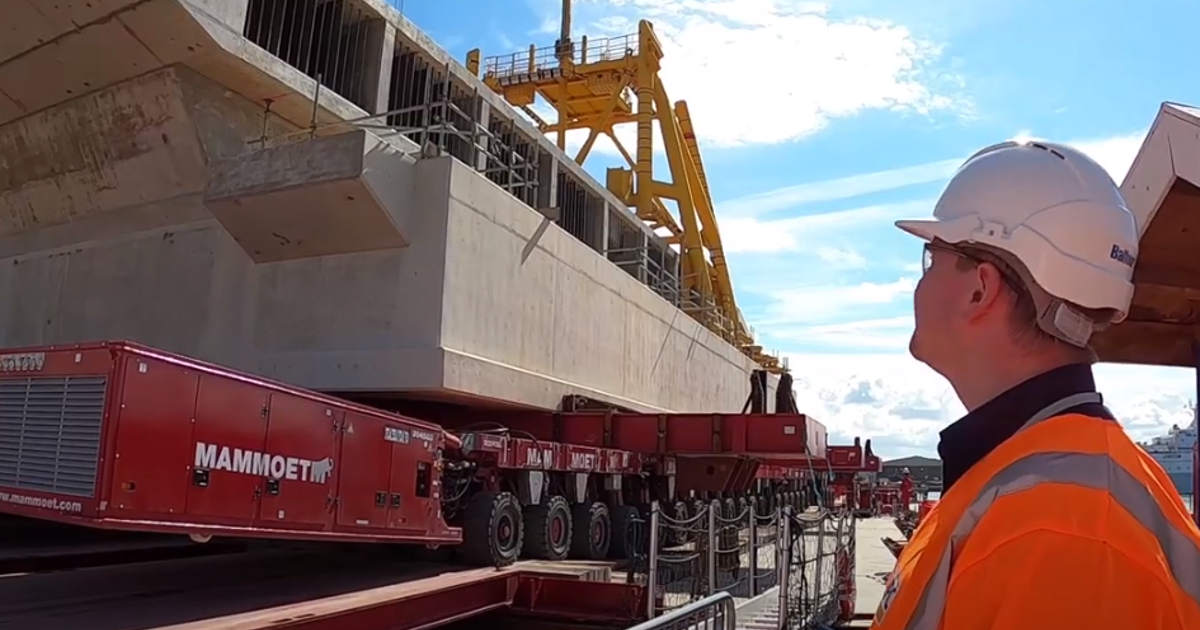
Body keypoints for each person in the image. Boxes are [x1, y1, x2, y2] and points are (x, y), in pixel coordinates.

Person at [870, 139, 1200, 630]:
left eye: (931, 259)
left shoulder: (1059, 532)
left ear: (980, 289)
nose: (918, 284)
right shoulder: (1033, 483)